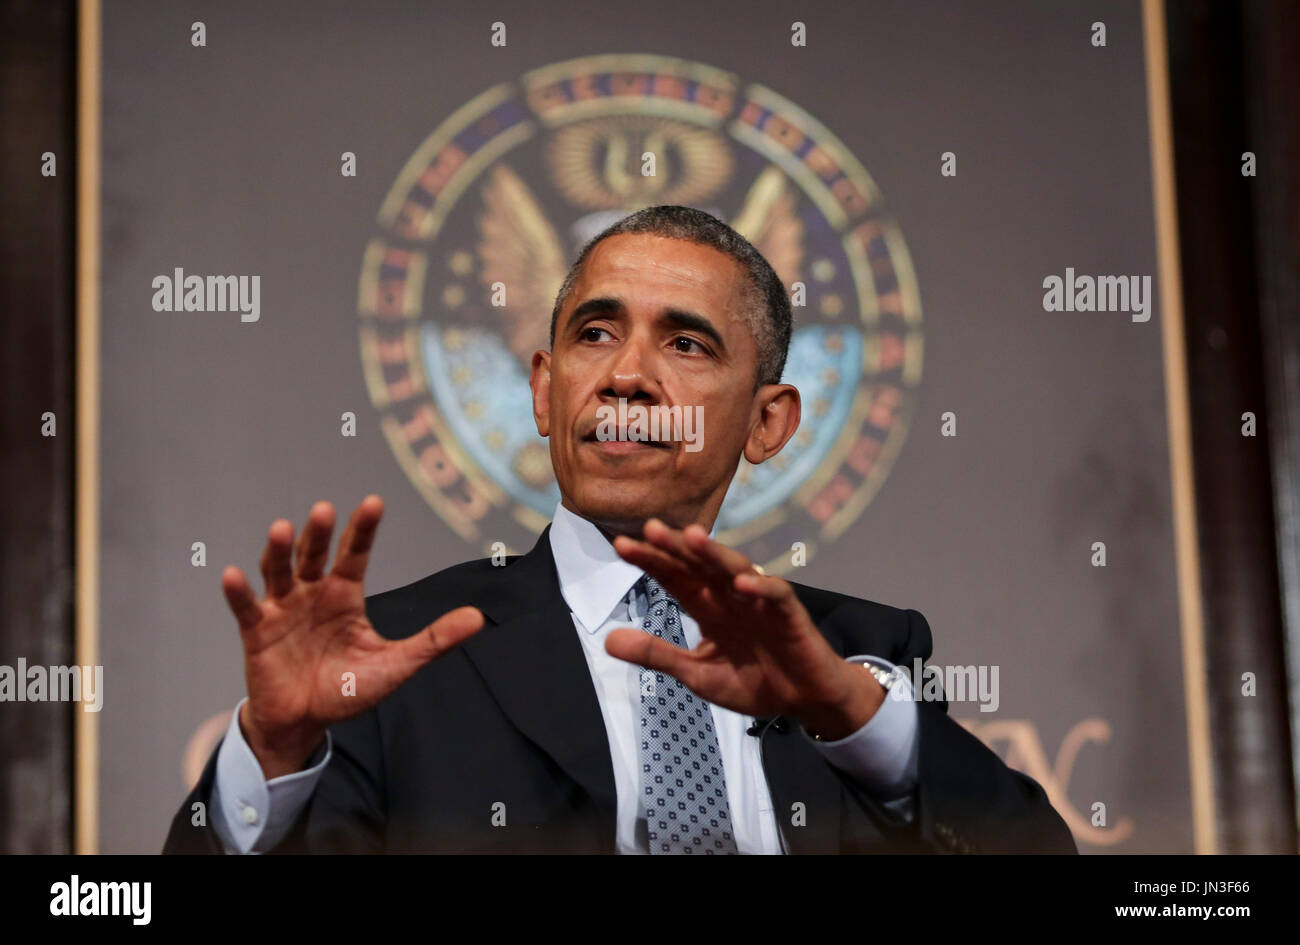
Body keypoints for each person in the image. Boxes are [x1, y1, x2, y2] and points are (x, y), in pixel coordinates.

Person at [163, 205, 1076, 854]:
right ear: (542, 390)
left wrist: (850, 717)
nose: (627, 376)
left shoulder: (861, 657)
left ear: (769, 422)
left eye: (686, 344)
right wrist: (273, 753)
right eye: (595, 334)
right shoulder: (401, 659)